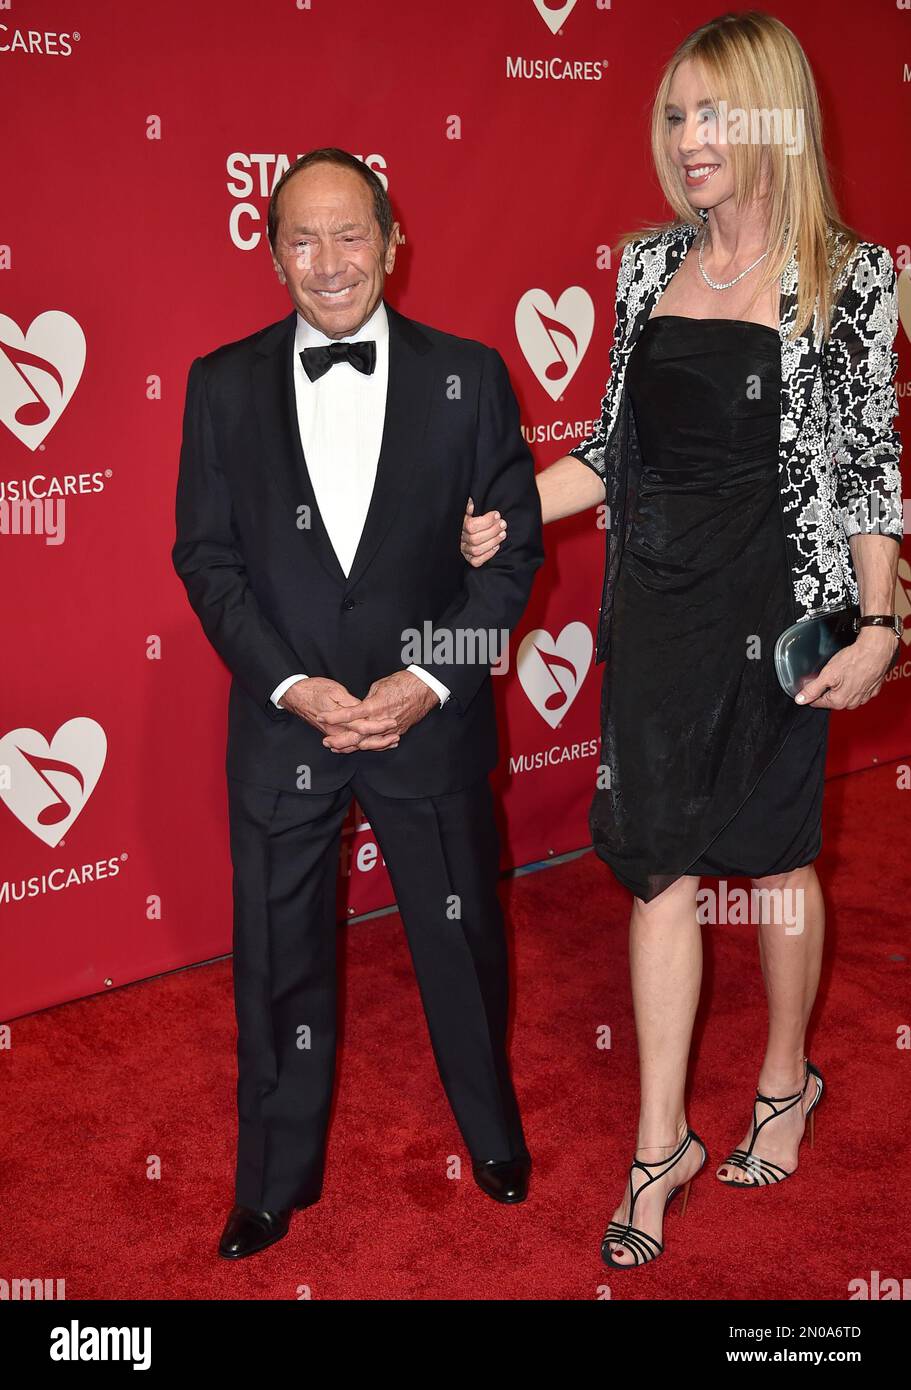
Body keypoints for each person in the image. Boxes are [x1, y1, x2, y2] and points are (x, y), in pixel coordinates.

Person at [462, 11, 903, 1267]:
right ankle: (658, 1144)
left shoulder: (853, 276)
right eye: (672, 116)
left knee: (769, 859)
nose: (688, 139)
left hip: (779, 612)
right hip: (658, 609)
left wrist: (877, 623)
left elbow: (868, 463)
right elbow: (611, 448)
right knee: (655, 867)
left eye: (712, 112)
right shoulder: (646, 264)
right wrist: (499, 506)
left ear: (771, 118)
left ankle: (781, 1082)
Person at [173, 147, 543, 1260]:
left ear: (391, 243)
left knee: (463, 940)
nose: (327, 262)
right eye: (301, 237)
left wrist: (423, 682)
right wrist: (295, 687)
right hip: (285, 723)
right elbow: (206, 560)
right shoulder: (220, 383)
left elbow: (512, 559)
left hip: (425, 725)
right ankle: (272, 1180)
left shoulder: (467, 375)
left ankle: (491, 1133)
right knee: (276, 956)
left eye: (349, 235)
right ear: (270, 249)